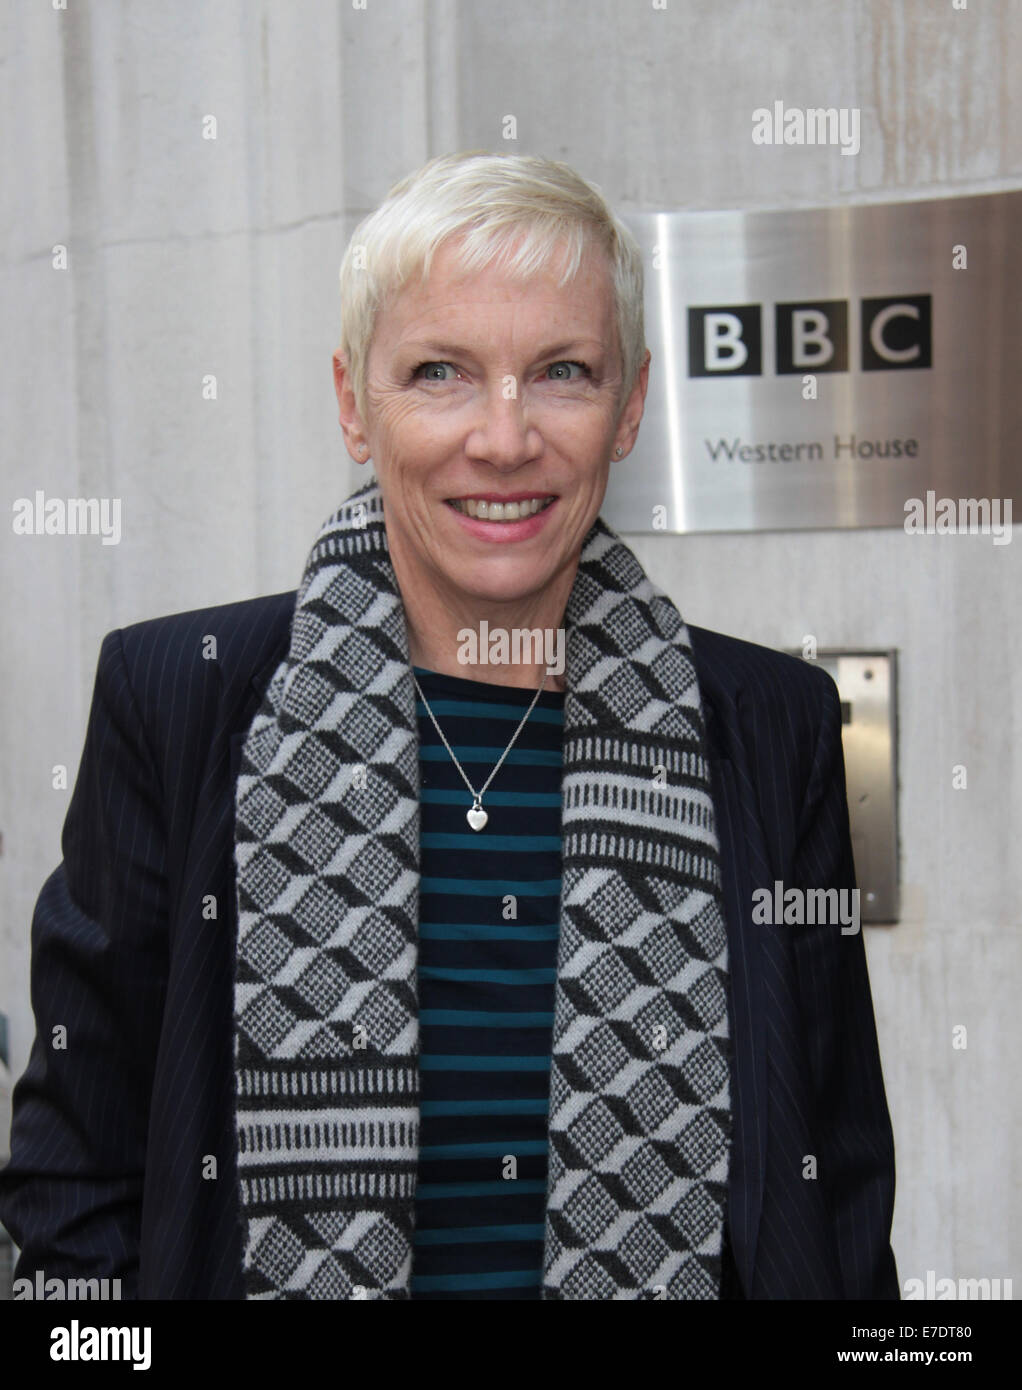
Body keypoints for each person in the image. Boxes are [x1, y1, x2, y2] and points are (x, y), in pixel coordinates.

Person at [0, 150, 898, 1300]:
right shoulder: (179, 697)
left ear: (627, 408)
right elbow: (75, 1181)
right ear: (351, 404)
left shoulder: (769, 724)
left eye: (561, 372)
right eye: (440, 372)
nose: (504, 437)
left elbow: (838, 1190)